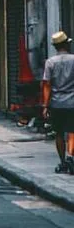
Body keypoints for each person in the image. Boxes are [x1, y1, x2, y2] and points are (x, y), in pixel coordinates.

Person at [42, 30, 74, 174]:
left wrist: (45, 105)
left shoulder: (50, 62)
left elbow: (47, 85)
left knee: (59, 133)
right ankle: (71, 157)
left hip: (56, 103)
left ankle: (62, 161)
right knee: (73, 131)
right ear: (67, 44)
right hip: (72, 102)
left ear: (55, 47)